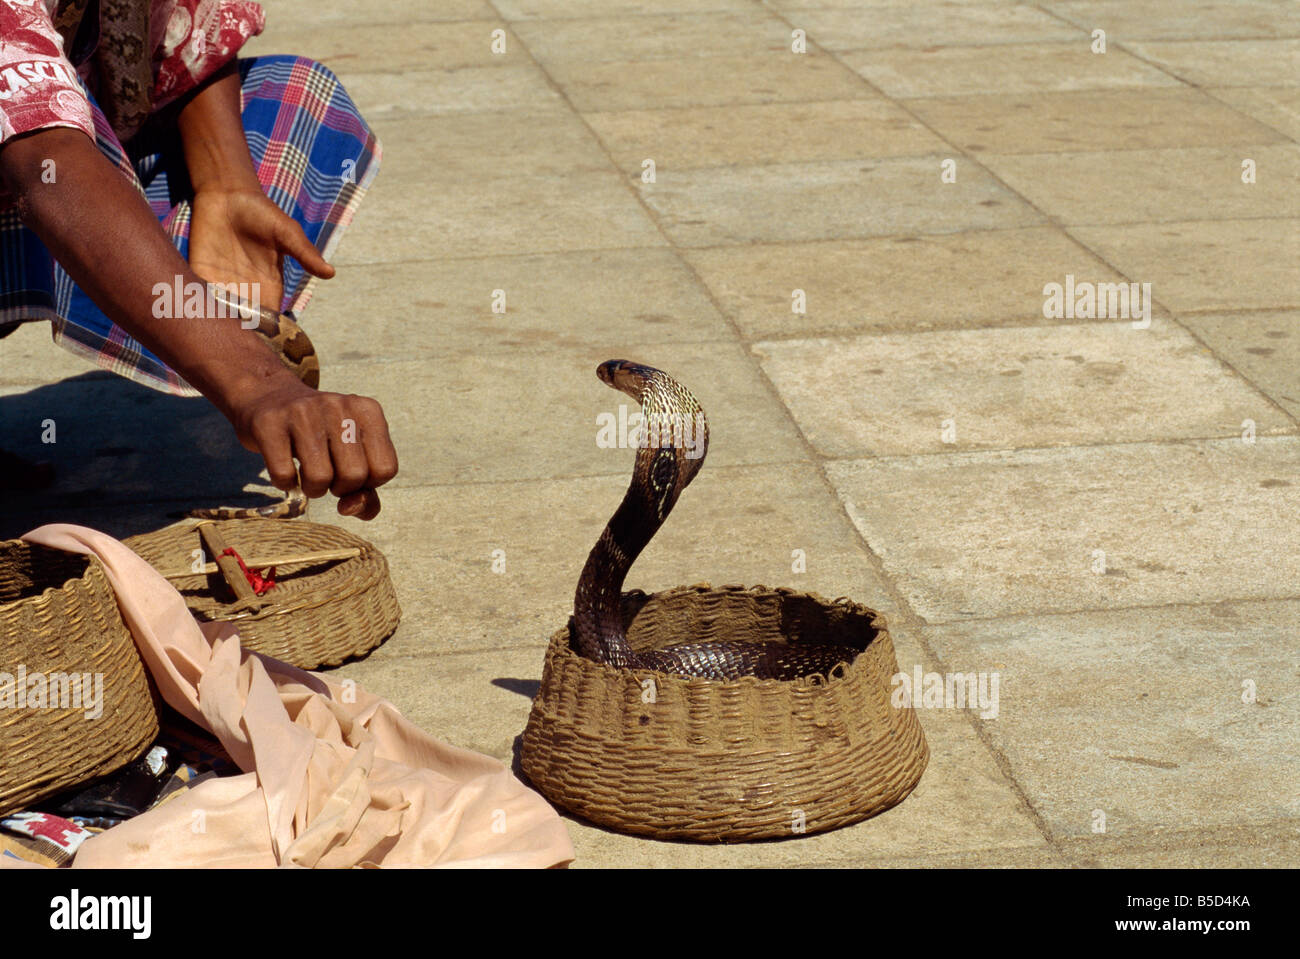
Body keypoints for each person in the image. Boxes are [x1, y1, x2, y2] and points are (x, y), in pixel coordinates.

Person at [0, 0, 397, 519]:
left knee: (293, 93)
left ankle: (198, 321)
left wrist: (226, 184)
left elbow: (193, 40)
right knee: (53, 170)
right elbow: (44, 161)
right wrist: (256, 382)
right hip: (43, 173)